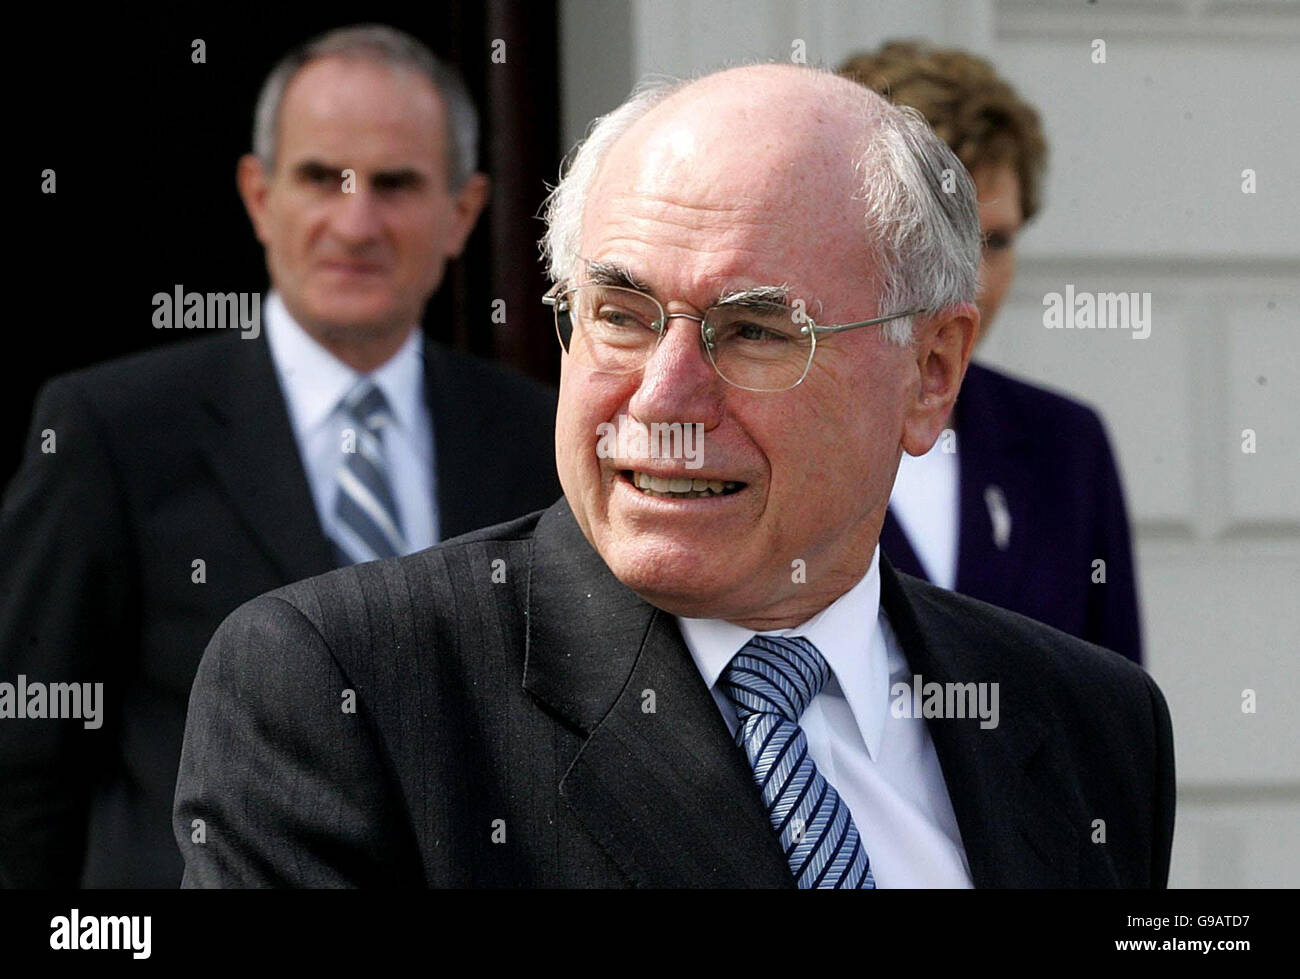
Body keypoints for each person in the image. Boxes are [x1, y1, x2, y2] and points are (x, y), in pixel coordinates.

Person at [174, 64, 1174, 888]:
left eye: (753, 330)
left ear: (930, 374)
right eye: (619, 314)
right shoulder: (349, 691)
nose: (662, 398)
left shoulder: (1091, 723)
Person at [0, 25, 561, 888]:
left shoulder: (537, 431)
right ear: (258, 195)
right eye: (319, 178)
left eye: (396, 183)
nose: (356, 220)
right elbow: (26, 764)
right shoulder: (111, 430)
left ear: (464, 213)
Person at [838, 42, 1143, 663]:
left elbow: (1114, 725)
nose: (970, 281)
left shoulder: (1065, 444)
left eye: (996, 242)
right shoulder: (768, 426)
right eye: (935, 237)